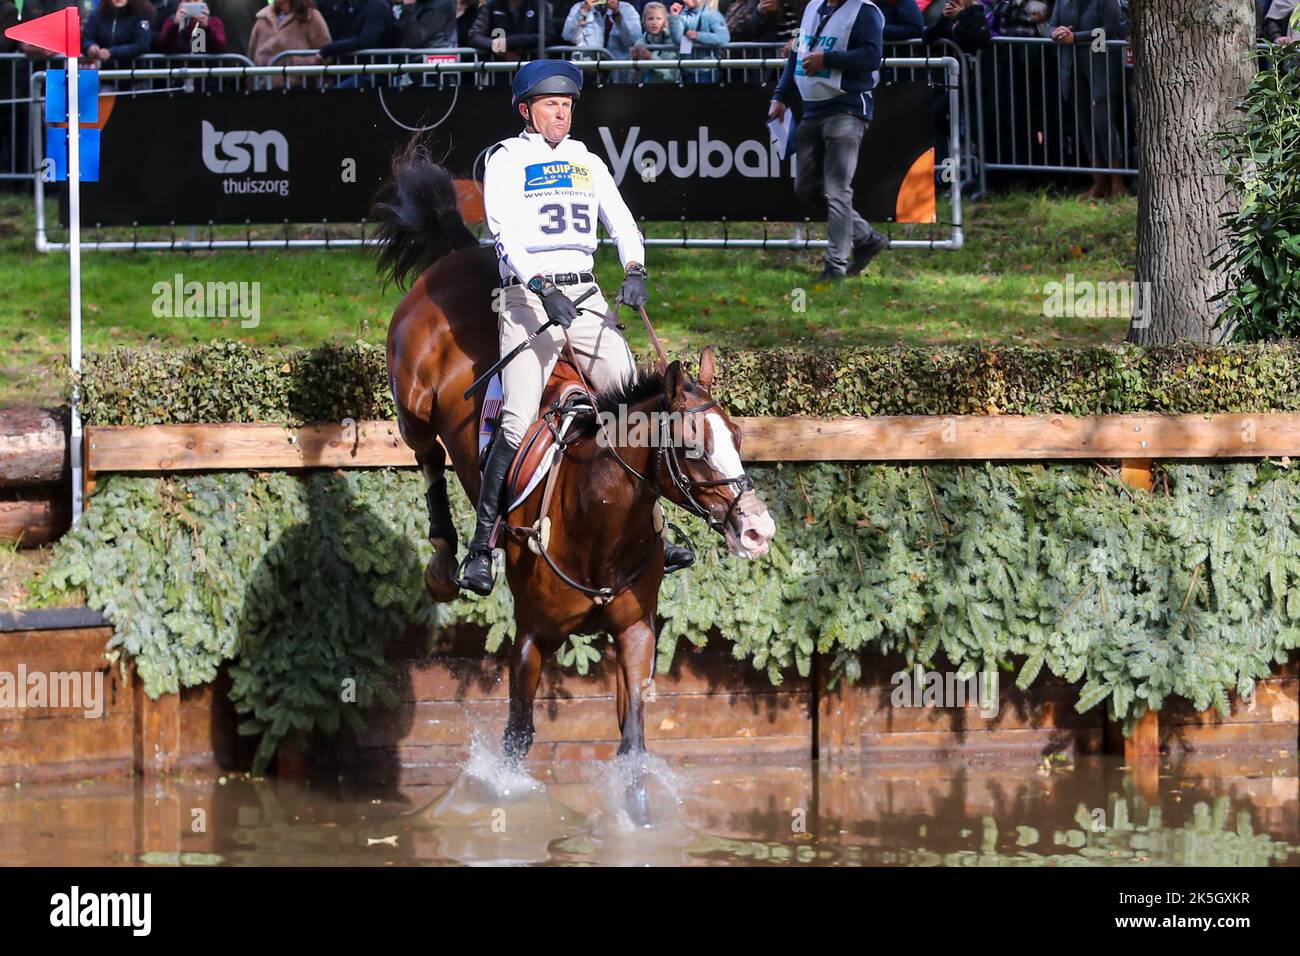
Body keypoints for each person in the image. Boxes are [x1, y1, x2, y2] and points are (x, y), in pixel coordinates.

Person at [460, 59, 695, 595]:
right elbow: (502, 234)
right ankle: (481, 546)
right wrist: (541, 287)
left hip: (585, 294)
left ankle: (657, 529)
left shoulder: (585, 159)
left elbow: (621, 219)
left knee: (633, 410)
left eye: (567, 105)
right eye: (551, 105)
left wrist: (634, 268)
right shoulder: (505, 158)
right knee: (518, 418)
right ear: (527, 110)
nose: (562, 113)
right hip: (528, 298)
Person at [769, 0, 890, 281]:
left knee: (837, 189)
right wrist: (780, 96)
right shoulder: (813, 7)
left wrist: (829, 58)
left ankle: (834, 266)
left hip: (846, 109)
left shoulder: (865, 11)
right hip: (812, 110)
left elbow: (872, 56)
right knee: (807, 187)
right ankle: (867, 238)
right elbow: (797, 56)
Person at [1048, 0, 1128, 199]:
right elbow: (1051, 25)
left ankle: (1117, 181)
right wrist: (1055, 33)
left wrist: (1075, 38)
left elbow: (1109, 31)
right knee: (1085, 124)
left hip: (1102, 68)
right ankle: (1098, 182)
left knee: (1103, 123)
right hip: (1073, 67)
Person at [562, 0, 643, 82]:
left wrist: (617, 13)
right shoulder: (579, 7)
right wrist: (583, 12)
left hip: (619, 74)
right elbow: (568, 36)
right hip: (587, 72)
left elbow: (634, 40)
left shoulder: (627, 9)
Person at [247, 0, 332, 67]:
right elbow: (251, 56)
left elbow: (325, 53)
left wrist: (296, 64)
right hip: (264, 85)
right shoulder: (263, 19)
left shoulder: (310, 16)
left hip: (300, 85)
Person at [468, 0, 561, 60]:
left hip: (531, 67)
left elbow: (548, 36)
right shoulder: (492, 5)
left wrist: (509, 42)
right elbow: (474, 35)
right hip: (500, 71)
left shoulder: (539, 5)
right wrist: (493, 45)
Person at [668, 0, 729, 82]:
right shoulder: (683, 15)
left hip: (707, 71)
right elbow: (678, 40)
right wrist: (674, 17)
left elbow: (723, 37)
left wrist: (698, 36)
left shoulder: (712, 14)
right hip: (686, 69)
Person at [83, 0, 155, 67]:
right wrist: (91, 47)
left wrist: (111, 52)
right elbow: (87, 38)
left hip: (134, 74)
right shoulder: (97, 13)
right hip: (105, 74)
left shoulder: (140, 13)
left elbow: (142, 45)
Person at [631, 0, 683, 81]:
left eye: (659, 18)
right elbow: (633, 79)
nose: (654, 22)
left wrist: (651, 59)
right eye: (650, 18)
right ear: (644, 21)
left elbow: (673, 76)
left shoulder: (672, 43)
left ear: (665, 21)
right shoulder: (639, 43)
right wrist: (634, 63)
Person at [155, 0, 230, 54]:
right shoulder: (171, 21)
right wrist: (175, 25)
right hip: (178, 71)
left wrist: (207, 28)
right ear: (180, 4)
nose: (192, 3)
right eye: (187, 1)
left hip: (204, 71)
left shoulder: (214, 22)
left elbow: (220, 48)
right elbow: (163, 46)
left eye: (196, 0)